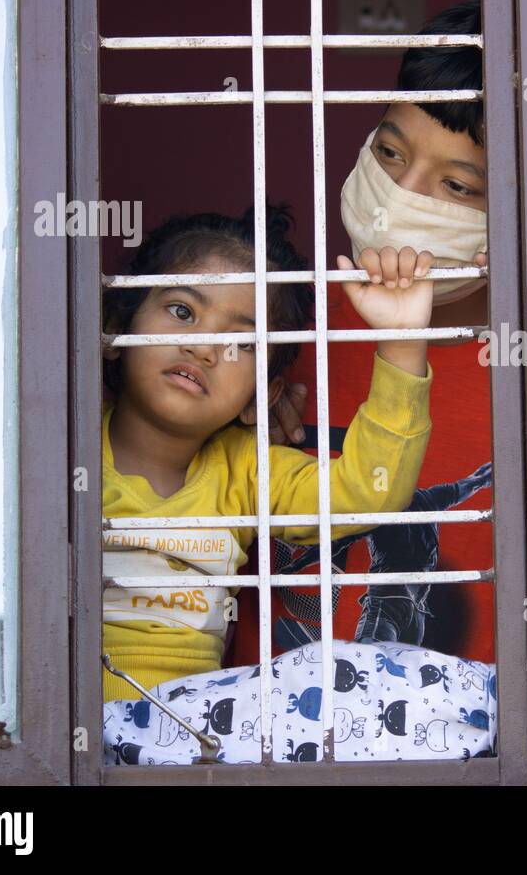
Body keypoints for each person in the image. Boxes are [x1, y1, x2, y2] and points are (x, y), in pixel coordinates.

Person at [230, 0, 527, 671]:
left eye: (458, 186)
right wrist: (229, 428)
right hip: (278, 743)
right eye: (389, 151)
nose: (401, 196)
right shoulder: (282, 322)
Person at [100, 204, 436, 703]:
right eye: (182, 312)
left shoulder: (249, 471)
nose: (205, 348)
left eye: (242, 341)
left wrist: (402, 342)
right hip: (55, 722)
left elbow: (368, 491)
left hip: (187, 734)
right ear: (113, 329)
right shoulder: (57, 448)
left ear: (264, 395)